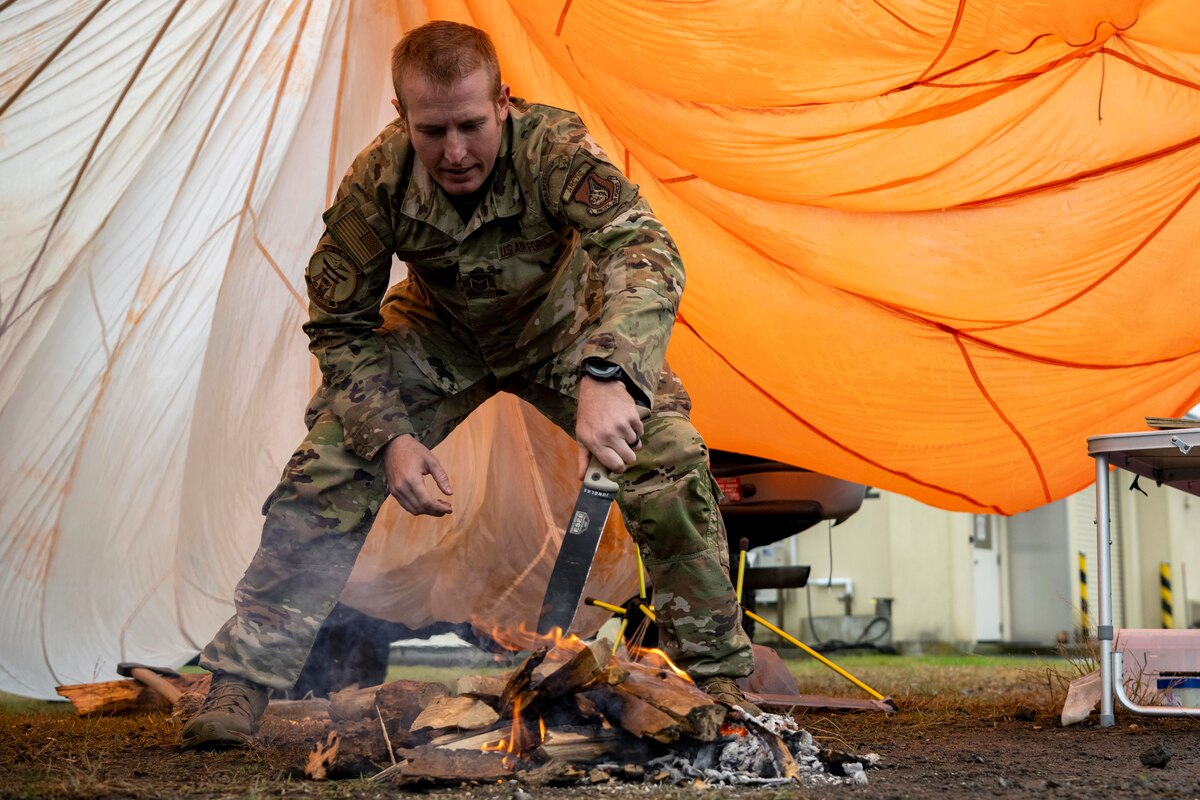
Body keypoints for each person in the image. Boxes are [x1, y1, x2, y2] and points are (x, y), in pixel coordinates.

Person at [182, 20, 756, 750]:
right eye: (432, 131)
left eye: (470, 125)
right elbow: (338, 324)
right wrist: (388, 437)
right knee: (329, 463)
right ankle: (242, 679)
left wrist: (612, 374)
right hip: (440, 332)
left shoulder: (553, 149)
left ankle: (718, 683)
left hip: (563, 324)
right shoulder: (378, 178)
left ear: (503, 103)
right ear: (402, 120)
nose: (454, 152)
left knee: (667, 456)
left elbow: (643, 246)